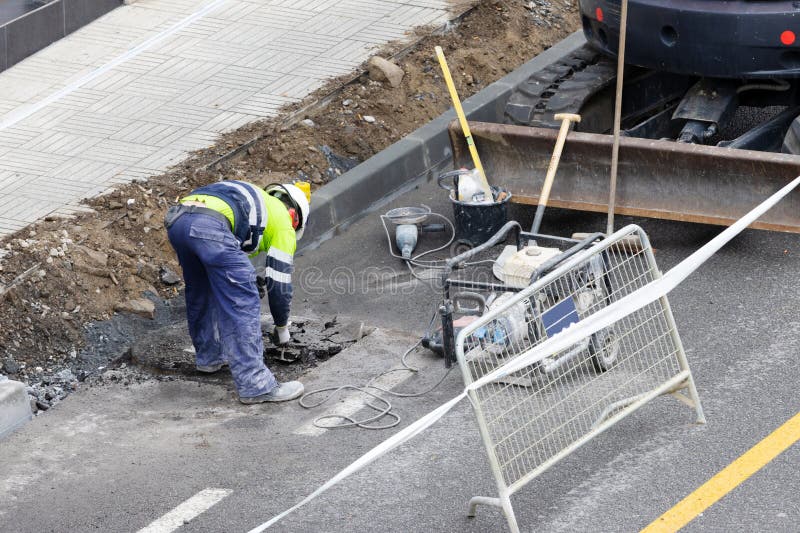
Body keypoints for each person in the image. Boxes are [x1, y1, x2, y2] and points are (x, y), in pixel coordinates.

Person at [164, 179, 310, 404]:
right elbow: (279, 287)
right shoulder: (283, 224)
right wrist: (282, 327)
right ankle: (256, 384)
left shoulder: (257, 201)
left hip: (178, 220)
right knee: (242, 300)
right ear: (295, 216)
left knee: (201, 290)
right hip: (208, 225)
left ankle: (209, 357)